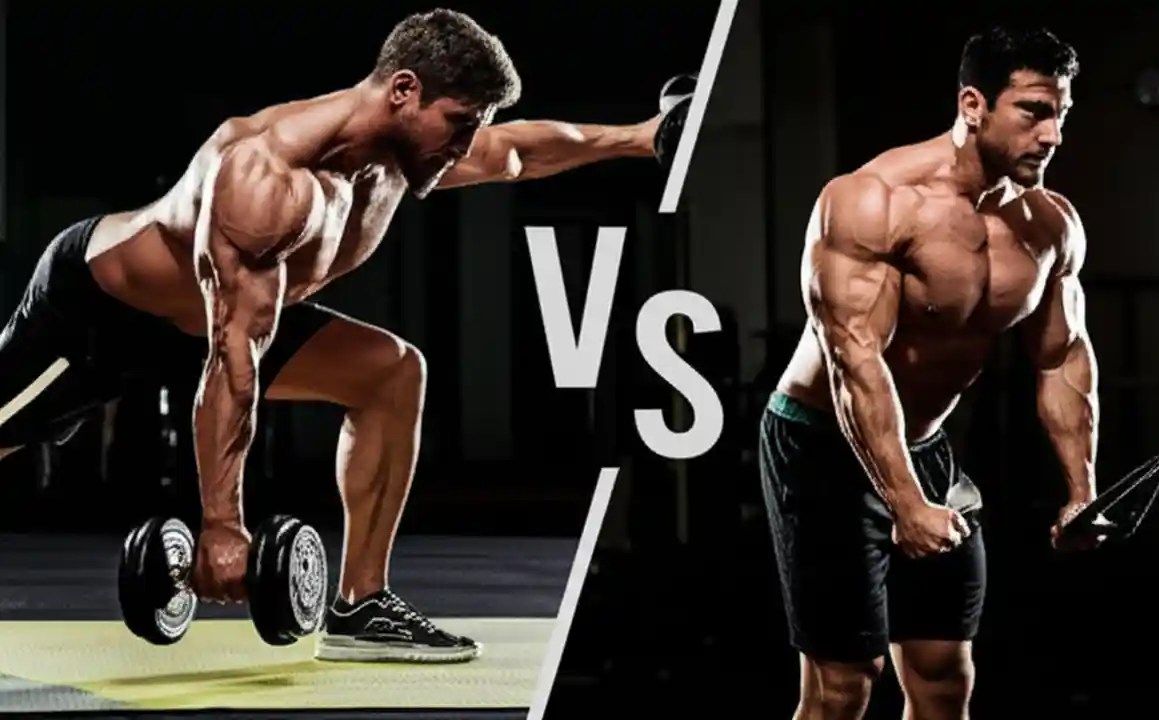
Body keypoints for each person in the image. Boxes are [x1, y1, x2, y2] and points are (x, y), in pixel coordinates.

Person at [0, 9, 664, 664]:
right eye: (460, 125)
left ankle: (361, 606)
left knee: (392, 371)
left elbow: (519, 153)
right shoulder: (265, 174)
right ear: (404, 91)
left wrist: (644, 136)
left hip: (205, 327)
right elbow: (235, 356)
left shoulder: (401, 157)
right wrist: (223, 527)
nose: (466, 147)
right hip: (97, 316)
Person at [758, 26, 1108, 719]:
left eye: (1062, 114)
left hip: (927, 446)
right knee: (843, 685)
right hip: (823, 444)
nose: (1053, 134)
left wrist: (1081, 492)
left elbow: (1061, 357)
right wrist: (906, 503)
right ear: (973, 105)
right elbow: (851, 359)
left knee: (945, 674)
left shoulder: (1050, 227)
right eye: (1035, 111)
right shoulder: (872, 201)